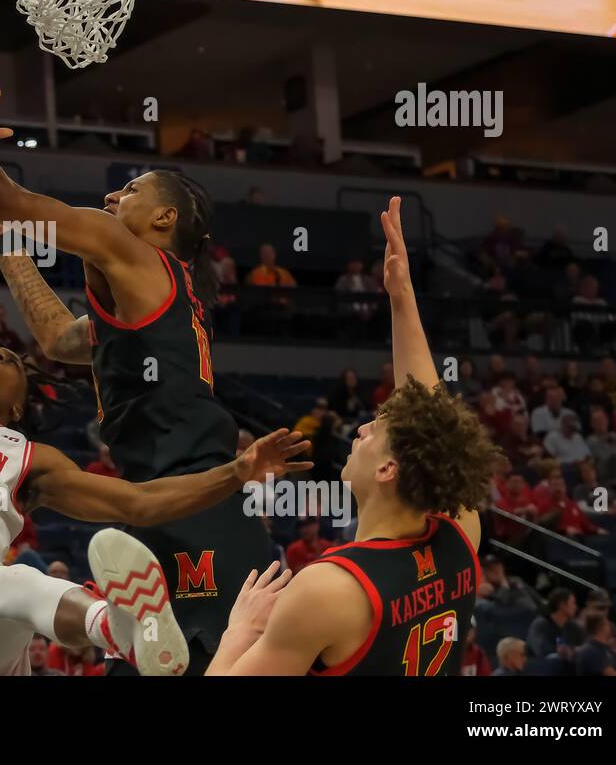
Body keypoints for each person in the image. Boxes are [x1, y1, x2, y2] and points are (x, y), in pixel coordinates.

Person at [0, 90, 307, 677]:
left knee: (219, 661)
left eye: (131, 190)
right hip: (176, 501)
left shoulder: (133, 253)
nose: (112, 196)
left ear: (164, 219)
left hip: (188, 497)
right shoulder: (153, 304)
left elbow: (5, 197)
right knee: (163, 657)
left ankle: (116, 628)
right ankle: (116, 629)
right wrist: (2, 242)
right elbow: (59, 340)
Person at [209, 198, 496, 675]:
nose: (360, 427)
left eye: (374, 430)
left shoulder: (329, 589)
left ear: (388, 469)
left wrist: (238, 632)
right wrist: (401, 297)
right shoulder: (460, 533)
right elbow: (430, 412)